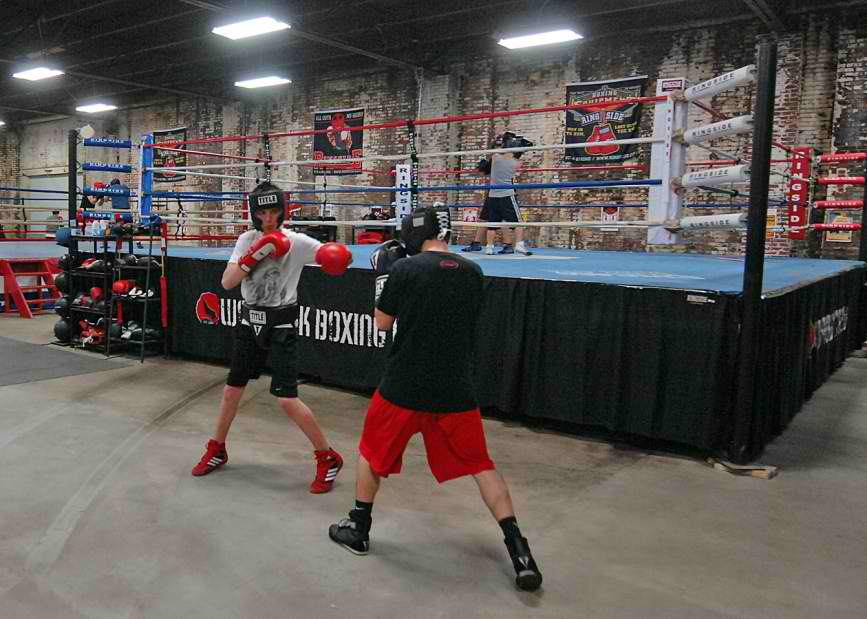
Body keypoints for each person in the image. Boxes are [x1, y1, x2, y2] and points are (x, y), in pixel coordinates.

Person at [328, 204, 543, 591]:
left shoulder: (405, 270)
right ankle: (520, 552)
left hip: (404, 385)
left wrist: (384, 278)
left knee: (370, 453)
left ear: (414, 233)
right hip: (455, 388)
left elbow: (381, 323)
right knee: (481, 464)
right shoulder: (474, 271)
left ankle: (358, 529)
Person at [191, 180, 354, 495]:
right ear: (253, 213)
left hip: (281, 327)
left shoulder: (296, 242)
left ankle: (328, 456)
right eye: (262, 212)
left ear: (283, 210)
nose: (268, 218)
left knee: (287, 400)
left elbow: (329, 256)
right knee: (231, 392)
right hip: (248, 324)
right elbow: (227, 282)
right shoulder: (246, 240)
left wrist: (336, 257)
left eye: (274, 211)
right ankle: (218, 448)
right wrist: (254, 255)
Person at [463, 132, 533, 255]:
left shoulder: (498, 157)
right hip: (496, 192)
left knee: (500, 219)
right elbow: (488, 168)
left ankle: (505, 245)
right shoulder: (514, 161)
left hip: (498, 192)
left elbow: (489, 165)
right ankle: (479, 243)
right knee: (486, 218)